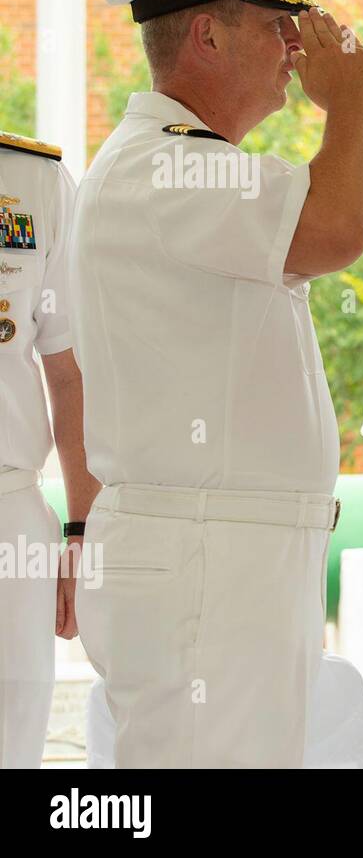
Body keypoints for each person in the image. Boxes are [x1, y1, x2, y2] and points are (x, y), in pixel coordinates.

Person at [68, 0, 363, 767]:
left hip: (222, 554)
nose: (295, 44)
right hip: (203, 556)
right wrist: (352, 98)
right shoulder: (168, 165)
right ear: (206, 35)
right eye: (277, 23)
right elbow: (338, 227)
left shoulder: (189, 164)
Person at [0, 131, 99, 768]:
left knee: (11, 742)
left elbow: (70, 372)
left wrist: (80, 531)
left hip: (8, 515)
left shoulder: (32, 184)